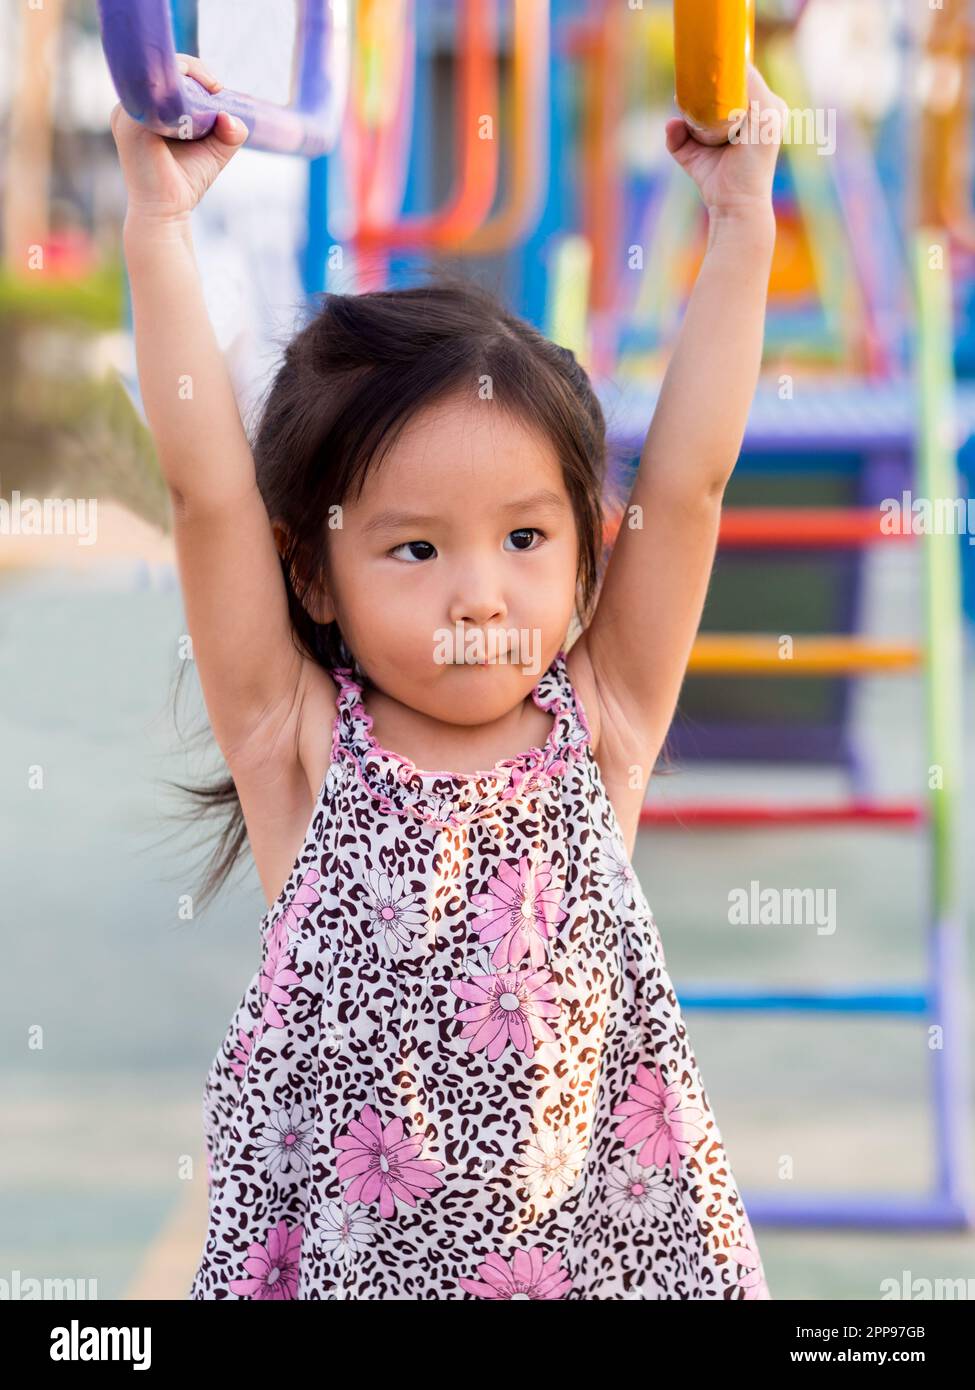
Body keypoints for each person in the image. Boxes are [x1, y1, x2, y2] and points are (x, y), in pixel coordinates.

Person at [111, 51, 785, 1300]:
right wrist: (158, 226)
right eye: (416, 549)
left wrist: (741, 220)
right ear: (315, 577)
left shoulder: (601, 722)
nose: (481, 592)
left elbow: (689, 484)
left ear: (584, 546)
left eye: (525, 537)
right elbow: (207, 492)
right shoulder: (299, 742)